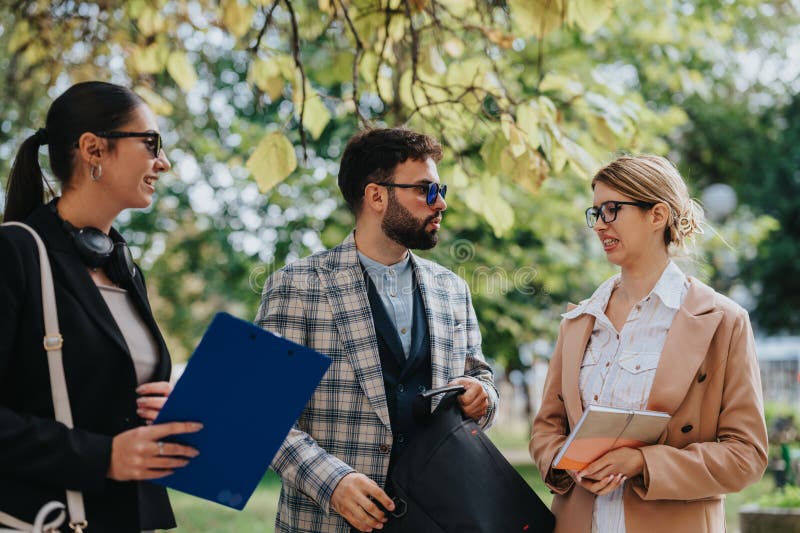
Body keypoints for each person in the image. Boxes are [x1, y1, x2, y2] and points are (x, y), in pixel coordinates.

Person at [256, 128, 499, 533]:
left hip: (437, 516)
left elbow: (479, 375)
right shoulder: (296, 285)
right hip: (327, 521)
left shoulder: (451, 289)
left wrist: (482, 397)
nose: (440, 203)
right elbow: (260, 411)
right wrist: (332, 483)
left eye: (440, 188)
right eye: (425, 190)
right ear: (376, 196)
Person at [0, 81, 202, 532]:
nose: (163, 163)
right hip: (47, 520)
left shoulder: (124, 266)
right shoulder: (13, 253)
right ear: (93, 148)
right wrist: (103, 457)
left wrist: (166, 408)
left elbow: (100, 393)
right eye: (151, 144)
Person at [530, 154, 768, 533]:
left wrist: (643, 464)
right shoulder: (579, 321)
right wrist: (566, 464)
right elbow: (546, 430)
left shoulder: (723, 321)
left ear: (657, 216)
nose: (599, 225)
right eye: (595, 213)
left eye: (612, 210)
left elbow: (746, 456)